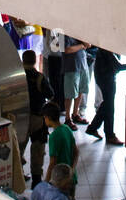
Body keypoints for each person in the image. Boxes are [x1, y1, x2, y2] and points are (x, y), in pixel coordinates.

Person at [22, 49, 55, 188]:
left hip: (20, 119)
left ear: (23, 61)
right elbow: (50, 93)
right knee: (37, 151)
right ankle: (36, 180)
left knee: (18, 149)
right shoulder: (39, 77)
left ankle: (18, 175)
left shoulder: (17, 76)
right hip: (37, 118)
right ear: (35, 61)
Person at [85, 46, 126, 145]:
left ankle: (94, 128)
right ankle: (109, 134)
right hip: (106, 78)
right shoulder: (107, 47)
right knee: (109, 106)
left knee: (107, 105)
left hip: (104, 76)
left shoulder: (107, 45)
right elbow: (118, 66)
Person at [43, 101, 79, 190]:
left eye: (44, 118)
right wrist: (72, 170)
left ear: (48, 118)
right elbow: (76, 152)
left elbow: (52, 163)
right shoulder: (67, 128)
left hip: (61, 181)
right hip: (71, 178)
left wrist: (46, 183)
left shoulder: (53, 137)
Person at [61, 34, 91, 127]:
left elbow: (88, 45)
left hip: (82, 63)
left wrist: (82, 41)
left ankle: (75, 114)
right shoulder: (62, 32)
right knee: (70, 94)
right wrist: (81, 46)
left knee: (81, 89)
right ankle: (67, 118)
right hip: (71, 66)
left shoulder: (80, 30)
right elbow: (66, 49)